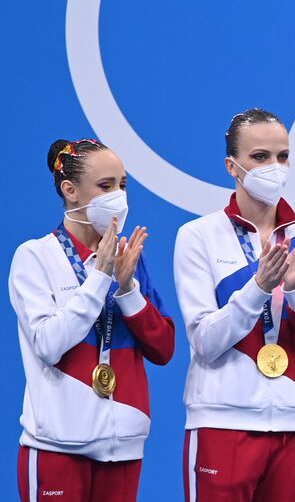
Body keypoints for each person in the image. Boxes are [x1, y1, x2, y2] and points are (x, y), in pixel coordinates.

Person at [173, 108, 295, 501]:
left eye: (282, 156)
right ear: (231, 166)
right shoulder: (198, 237)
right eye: (260, 157)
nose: (275, 167)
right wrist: (258, 287)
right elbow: (205, 341)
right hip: (222, 423)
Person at [11, 139, 175, 501]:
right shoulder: (35, 257)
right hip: (57, 447)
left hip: (124, 447)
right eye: (106, 186)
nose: (118, 196)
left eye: (122, 185)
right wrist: (100, 278)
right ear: (70, 191)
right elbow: (48, 345)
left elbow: (163, 349)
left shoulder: (127, 258)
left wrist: (128, 287)